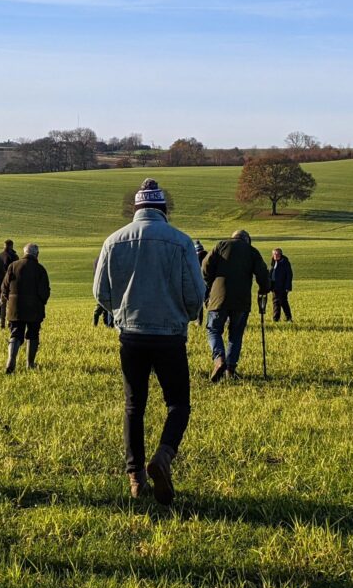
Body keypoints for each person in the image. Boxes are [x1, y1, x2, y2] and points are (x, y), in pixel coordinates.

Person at [92, 179, 205, 503]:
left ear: (137, 209)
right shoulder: (181, 241)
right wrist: (184, 314)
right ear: (162, 209)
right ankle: (163, 456)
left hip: (131, 336)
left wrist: (121, 313)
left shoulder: (113, 241)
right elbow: (195, 293)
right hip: (170, 335)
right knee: (178, 404)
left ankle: (136, 478)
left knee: (134, 406)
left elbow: (100, 292)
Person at [202, 229, 270, 381]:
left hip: (218, 299)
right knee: (236, 334)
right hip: (241, 300)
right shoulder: (252, 251)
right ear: (247, 240)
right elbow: (263, 274)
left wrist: (211, 283)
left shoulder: (221, 245)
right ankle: (230, 370)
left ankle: (219, 359)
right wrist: (264, 288)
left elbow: (205, 266)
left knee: (213, 330)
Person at [0, 242, 51, 372]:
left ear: (24, 253)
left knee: (15, 333)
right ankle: (30, 364)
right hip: (34, 309)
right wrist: (41, 302)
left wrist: (10, 301)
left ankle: (10, 361)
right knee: (33, 334)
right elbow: (45, 291)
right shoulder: (40, 269)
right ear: (36, 254)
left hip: (15, 308)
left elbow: (4, 287)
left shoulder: (13, 266)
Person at [268, 247, 293, 321]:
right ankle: (276, 319)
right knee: (276, 302)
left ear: (280, 254)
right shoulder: (274, 262)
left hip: (282, 287)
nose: (275, 255)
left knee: (283, 302)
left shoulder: (285, 263)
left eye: (277, 254)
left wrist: (288, 287)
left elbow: (289, 275)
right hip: (274, 286)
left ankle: (289, 318)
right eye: (274, 254)